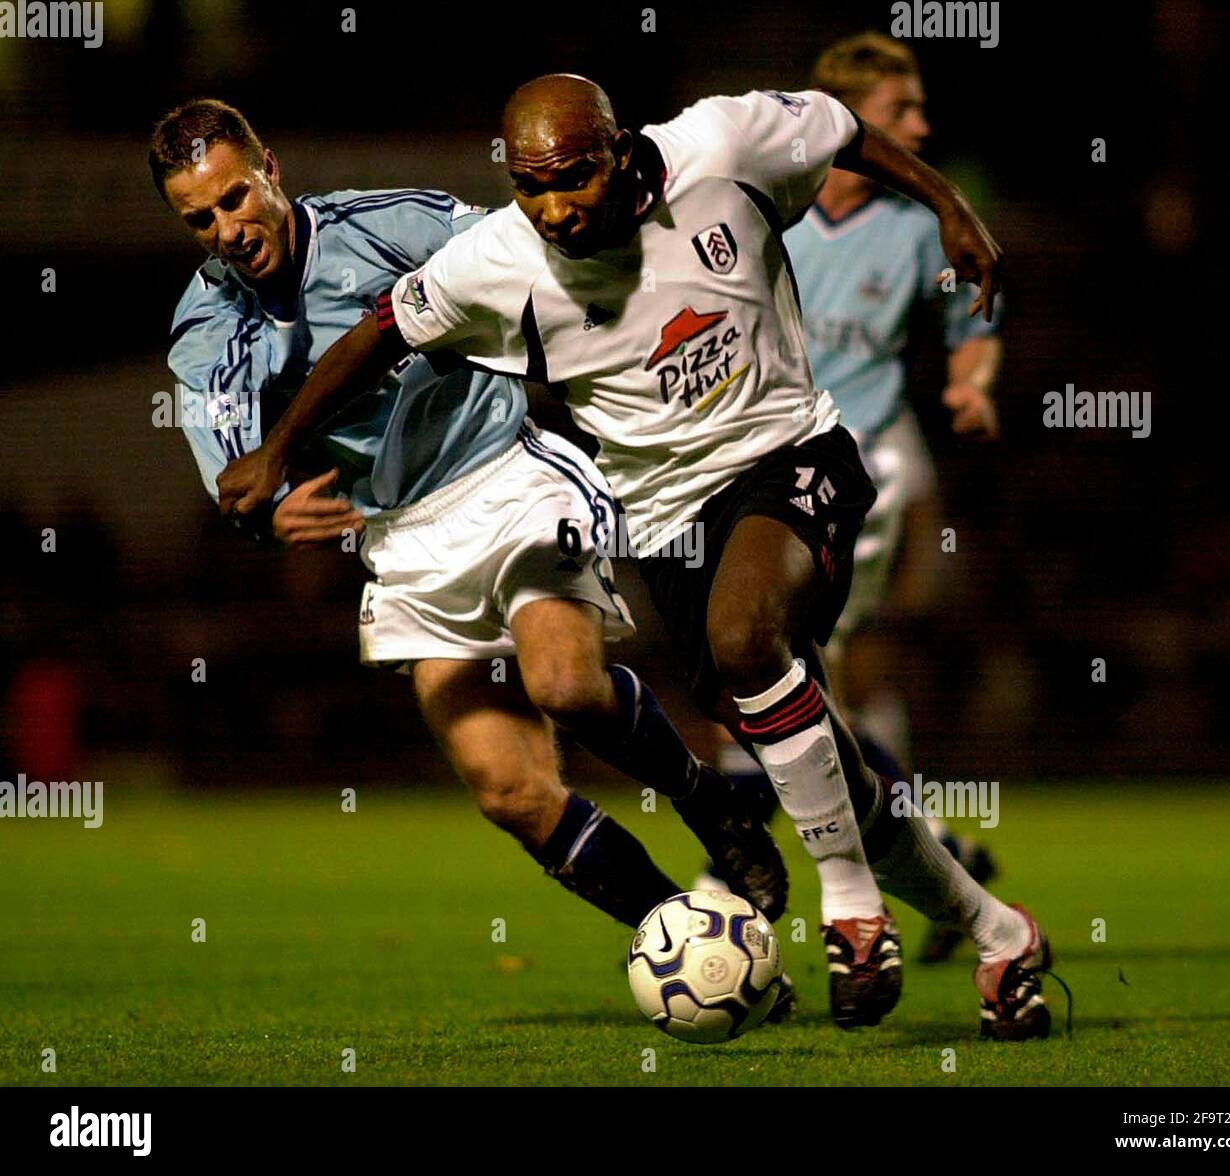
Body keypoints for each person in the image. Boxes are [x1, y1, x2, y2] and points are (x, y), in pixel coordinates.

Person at [215, 76, 1052, 1039]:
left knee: (746, 641)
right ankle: (999, 937)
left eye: (573, 178)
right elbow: (378, 332)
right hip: (666, 528)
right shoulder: (498, 260)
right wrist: (279, 451)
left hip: (791, 459)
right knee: (831, 775)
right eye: (531, 187)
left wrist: (949, 205)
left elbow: (844, 127)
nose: (555, 208)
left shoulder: (723, 146)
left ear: (617, 152)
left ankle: (852, 912)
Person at [152, 98, 791, 951]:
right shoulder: (205, 332)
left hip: (510, 473)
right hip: (404, 542)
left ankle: (706, 798)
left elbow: (527, 251)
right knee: (510, 793)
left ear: (269, 168)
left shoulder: (386, 224)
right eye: (199, 219)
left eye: (234, 198)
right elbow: (236, 478)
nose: (226, 228)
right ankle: (691, 944)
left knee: (563, 684)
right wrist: (268, 513)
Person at [712, 31, 1006, 965]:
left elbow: (973, 317)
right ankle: (934, 856)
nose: (920, 126)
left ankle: (732, 880)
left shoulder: (919, 226)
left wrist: (972, 380)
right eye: (898, 113)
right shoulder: (766, 212)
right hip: (758, 459)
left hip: (861, 464)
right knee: (818, 681)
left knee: (764, 664)